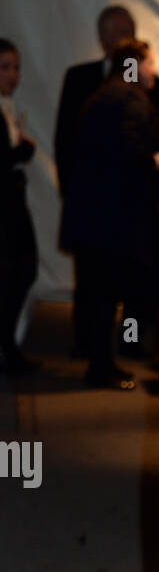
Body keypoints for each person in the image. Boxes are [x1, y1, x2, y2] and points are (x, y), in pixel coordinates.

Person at [59, 39, 159, 388]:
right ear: (135, 64)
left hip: (95, 217)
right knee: (105, 295)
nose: (155, 71)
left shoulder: (106, 94)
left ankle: (102, 363)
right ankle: (101, 367)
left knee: (98, 292)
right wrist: (158, 160)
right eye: (150, 63)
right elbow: (124, 156)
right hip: (109, 220)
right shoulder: (129, 99)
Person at [54, 5, 137, 357]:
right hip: (89, 200)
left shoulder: (138, 78)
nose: (125, 39)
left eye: (129, 31)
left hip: (122, 203)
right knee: (88, 279)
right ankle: (84, 344)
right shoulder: (80, 77)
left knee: (121, 278)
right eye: (119, 32)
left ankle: (123, 344)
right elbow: (64, 140)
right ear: (102, 37)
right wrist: (68, 188)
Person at [0, 39, 39, 375]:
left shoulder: (7, 106)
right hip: (6, 210)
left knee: (22, 271)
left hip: (13, 205)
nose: (14, 74)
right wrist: (19, 153)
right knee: (18, 271)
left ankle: (8, 347)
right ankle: (7, 349)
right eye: (6, 67)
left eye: (16, 67)